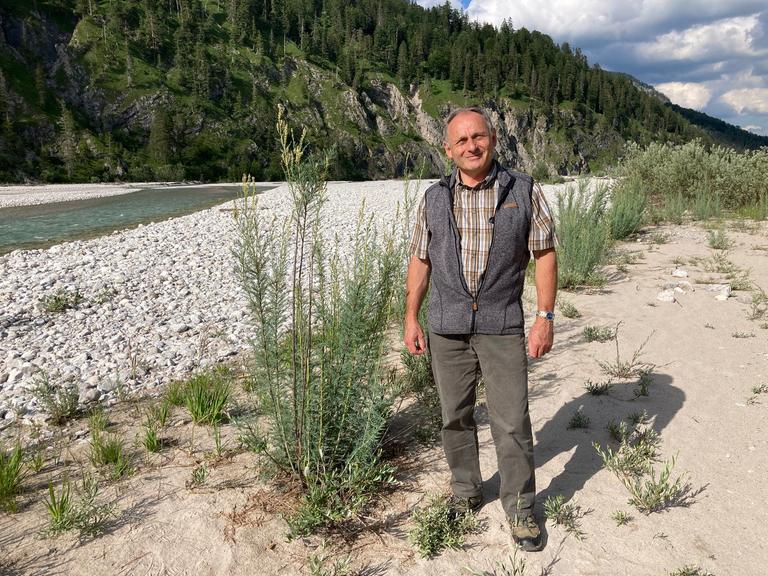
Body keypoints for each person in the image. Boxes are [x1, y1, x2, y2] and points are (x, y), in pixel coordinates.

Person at [403, 106, 558, 552]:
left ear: (492, 138)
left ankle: (521, 507)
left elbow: (545, 253)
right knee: (455, 416)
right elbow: (421, 259)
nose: (472, 146)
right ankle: (466, 492)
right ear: (448, 149)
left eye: (479, 137)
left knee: (511, 420)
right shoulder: (433, 197)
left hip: (502, 322)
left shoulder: (523, 190)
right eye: (462, 141)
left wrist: (544, 318)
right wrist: (411, 316)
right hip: (446, 326)